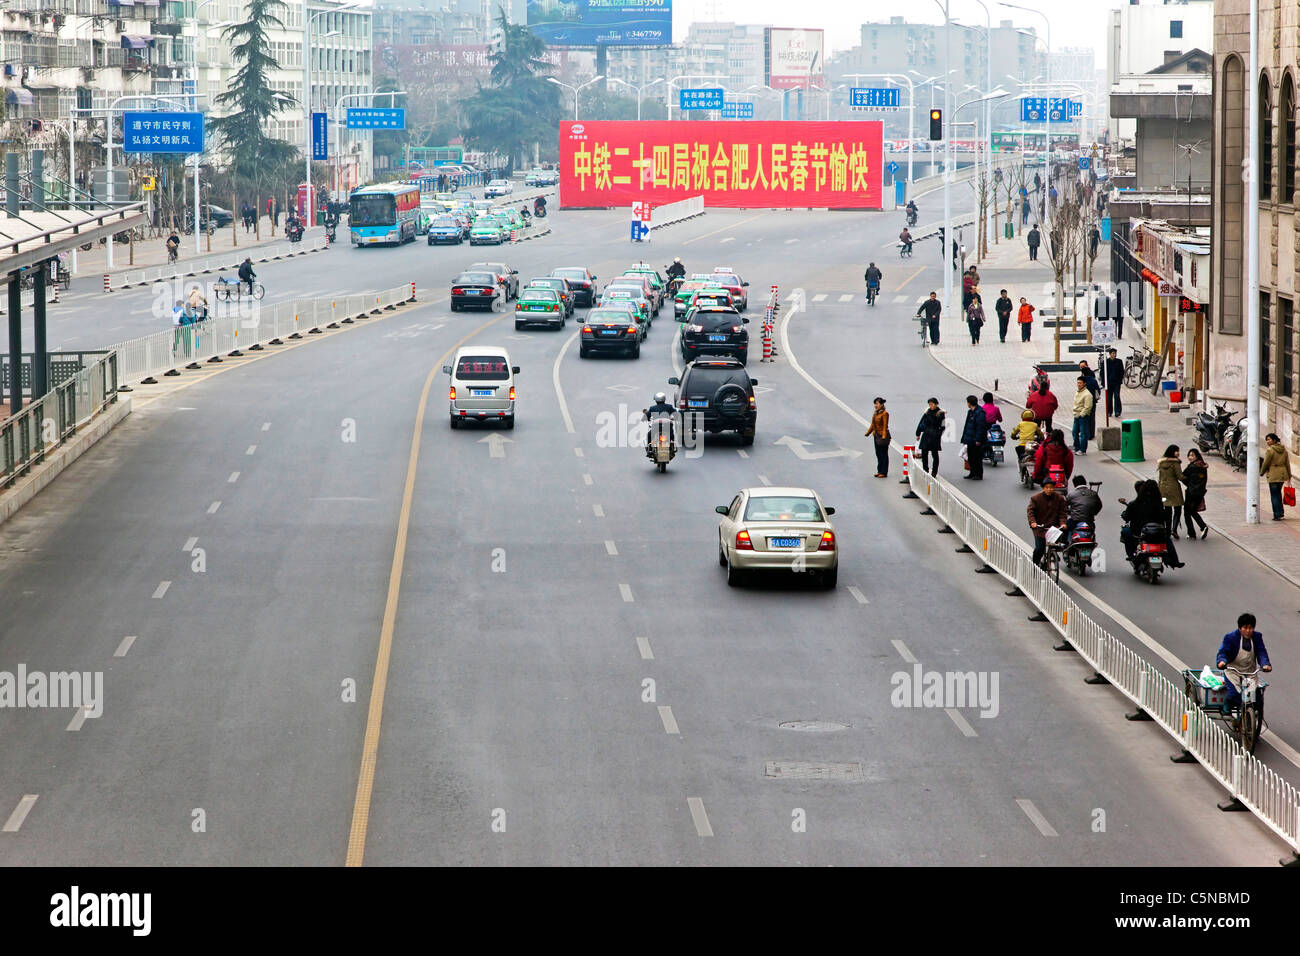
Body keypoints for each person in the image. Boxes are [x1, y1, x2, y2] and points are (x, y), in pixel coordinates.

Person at [1216, 613, 1272, 716]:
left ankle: (1248, 717)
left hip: (1250, 672)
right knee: (1234, 694)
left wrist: (1265, 664)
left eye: (1251, 628)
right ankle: (1227, 704)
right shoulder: (1230, 638)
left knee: (1255, 698)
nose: (1248, 631)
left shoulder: (1257, 637)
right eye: (1245, 628)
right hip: (1233, 671)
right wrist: (1222, 661)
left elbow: (1261, 652)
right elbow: (1223, 652)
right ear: (1240, 628)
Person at [1119, 479, 1183, 566]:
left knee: (1125, 531)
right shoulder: (1158, 504)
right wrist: (1167, 531)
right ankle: (1174, 561)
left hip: (1139, 533)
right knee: (1167, 540)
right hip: (1158, 534)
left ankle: (1131, 555)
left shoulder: (1134, 503)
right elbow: (1166, 517)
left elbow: (1127, 517)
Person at [1027, 478, 1068, 568]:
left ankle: (1052, 554)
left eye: (1051, 487)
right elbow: (1031, 512)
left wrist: (1063, 523)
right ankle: (1035, 565)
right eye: (1047, 487)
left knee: (1058, 545)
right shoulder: (1035, 499)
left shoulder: (1059, 498)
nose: (1049, 489)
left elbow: (1063, 513)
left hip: (1054, 528)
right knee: (1039, 548)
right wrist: (1033, 522)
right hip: (1040, 528)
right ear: (1043, 488)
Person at [1261, 432, 1292, 520]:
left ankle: (1277, 514)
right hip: (1282, 474)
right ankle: (1281, 512)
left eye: (1269, 439)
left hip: (1273, 474)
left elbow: (1266, 463)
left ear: (1274, 440)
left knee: (1274, 495)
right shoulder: (1283, 450)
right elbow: (1287, 463)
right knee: (1278, 493)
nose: (1267, 441)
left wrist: (1262, 472)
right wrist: (1289, 475)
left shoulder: (1270, 450)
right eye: (1267, 440)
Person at [1156, 444, 1186, 538]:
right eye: (1177, 451)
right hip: (1174, 489)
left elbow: (1160, 478)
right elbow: (1180, 477)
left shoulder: (1161, 463)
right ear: (1173, 452)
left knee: (1167, 510)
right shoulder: (1175, 463)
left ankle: (1167, 531)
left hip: (1163, 489)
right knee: (1177, 509)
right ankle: (1174, 529)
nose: (1178, 453)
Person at [1065, 474, 1103, 541]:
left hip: (1075, 521)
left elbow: (1064, 506)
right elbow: (1099, 506)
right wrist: (1094, 513)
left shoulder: (1071, 495)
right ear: (1085, 482)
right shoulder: (1093, 493)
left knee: (1065, 527)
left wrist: (1069, 512)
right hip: (1089, 521)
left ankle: (1067, 543)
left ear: (1074, 485)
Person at [915, 398, 945, 477]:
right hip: (926, 434)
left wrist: (939, 434)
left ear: (936, 404)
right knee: (924, 453)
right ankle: (925, 470)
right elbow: (922, 422)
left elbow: (943, 426)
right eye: (929, 404)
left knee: (934, 454)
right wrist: (918, 433)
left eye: (932, 404)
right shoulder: (927, 412)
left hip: (935, 435)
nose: (931, 406)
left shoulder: (940, 414)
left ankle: (934, 471)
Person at [1183, 447, 1209, 539]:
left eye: (1192, 455)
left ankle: (1192, 532)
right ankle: (1202, 527)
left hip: (1191, 492)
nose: (1190, 457)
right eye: (1189, 455)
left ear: (1197, 456)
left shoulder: (1192, 467)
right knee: (1192, 511)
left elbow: (1183, 476)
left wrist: (1188, 484)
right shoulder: (1202, 466)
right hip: (1200, 492)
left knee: (1187, 512)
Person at [961, 394, 988, 480]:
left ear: (970, 403)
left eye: (967, 402)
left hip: (976, 440)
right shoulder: (970, 412)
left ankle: (978, 474)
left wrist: (978, 439)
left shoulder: (980, 413)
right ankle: (972, 473)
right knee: (971, 457)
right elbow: (967, 426)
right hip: (970, 439)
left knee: (977, 458)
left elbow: (980, 427)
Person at [864, 397, 891, 478]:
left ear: (882, 404)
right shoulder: (876, 413)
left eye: (877, 404)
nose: (875, 405)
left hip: (882, 437)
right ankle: (879, 471)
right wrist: (868, 433)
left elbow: (885, 426)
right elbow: (873, 424)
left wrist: (883, 436)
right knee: (878, 454)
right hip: (876, 436)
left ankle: (884, 472)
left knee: (883, 454)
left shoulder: (885, 413)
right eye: (875, 404)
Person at [1071, 377, 1094, 455]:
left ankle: (1083, 449)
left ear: (1084, 384)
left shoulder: (1087, 394)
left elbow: (1088, 407)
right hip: (1076, 415)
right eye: (1078, 383)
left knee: (1083, 433)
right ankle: (1076, 447)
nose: (1079, 384)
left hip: (1082, 417)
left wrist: (1081, 414)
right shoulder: (1078, 392)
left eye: (1080, 383)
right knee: (1074, 432)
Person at [1078, 360, 1100, 438]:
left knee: (1085, 417)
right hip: (1093, 401)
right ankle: (1091, 433)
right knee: (1092, 417)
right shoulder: (1093, 380)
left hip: (1084, 402)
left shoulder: (1082, 381)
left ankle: (1086, 433)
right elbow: (1098, 390)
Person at [1103, 347, 1124, 418]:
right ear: (1110, 354)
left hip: (1116, 383)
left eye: (1115, 353)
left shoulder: (1119, 361)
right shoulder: (1106, 362)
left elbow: (1122, 371)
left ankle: (1117, 411)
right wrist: (1104, 383)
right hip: (1109, 383)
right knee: (1109, 397)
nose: (1114, 355)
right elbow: (1102, 373)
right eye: (1113, 353)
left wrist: (1120, 380)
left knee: (1116, 396)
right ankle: (1109, 411)